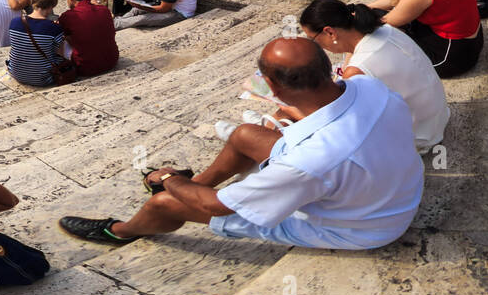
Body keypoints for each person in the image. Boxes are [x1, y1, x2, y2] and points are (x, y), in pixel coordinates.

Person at [59, 37, 422, 250]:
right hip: (384, 189)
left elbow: (218, 207)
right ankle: (191, 186)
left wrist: (167, 177)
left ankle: (121, 231)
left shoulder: (312, 161)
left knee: (165, 203)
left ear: (273, 89)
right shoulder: (369, 88)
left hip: (361, 227)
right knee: (243, 135)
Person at [302, 0, 449, 153]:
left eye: (314, 40)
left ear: (330, 32)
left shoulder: (357, 70)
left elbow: (346, 119)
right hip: (437, 117)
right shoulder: (385, 29)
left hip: (418, 137)